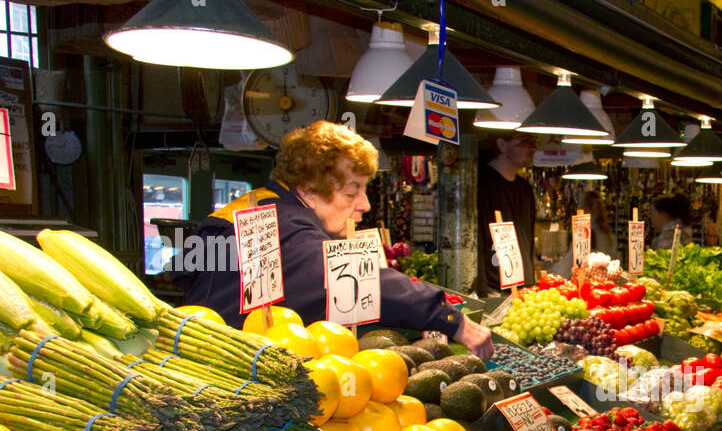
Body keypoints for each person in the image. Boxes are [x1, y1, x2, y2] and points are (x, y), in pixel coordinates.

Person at [177, 120, 492, 358]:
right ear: (309, 191)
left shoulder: (261, 204)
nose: (365, 205)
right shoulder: (285, 227)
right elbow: (353, 277)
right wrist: (450, 319)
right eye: (352, 192)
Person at [477, 134, 538, 296]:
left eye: (533, 143)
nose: (532, 148)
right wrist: (483, 291)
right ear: (502, 145)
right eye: (525, 142)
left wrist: (532, 282)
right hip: (493, 290)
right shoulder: (481, 185)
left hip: (524, 289)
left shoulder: (525, 189)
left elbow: (529, 240)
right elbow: (477, 242)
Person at [549, 192, 618, 276]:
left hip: (591, 280)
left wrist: (557, 272)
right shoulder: (606, 233)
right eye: (592, 205)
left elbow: (572, 261)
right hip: (603, 281)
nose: (594, 208)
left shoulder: (587, 233)